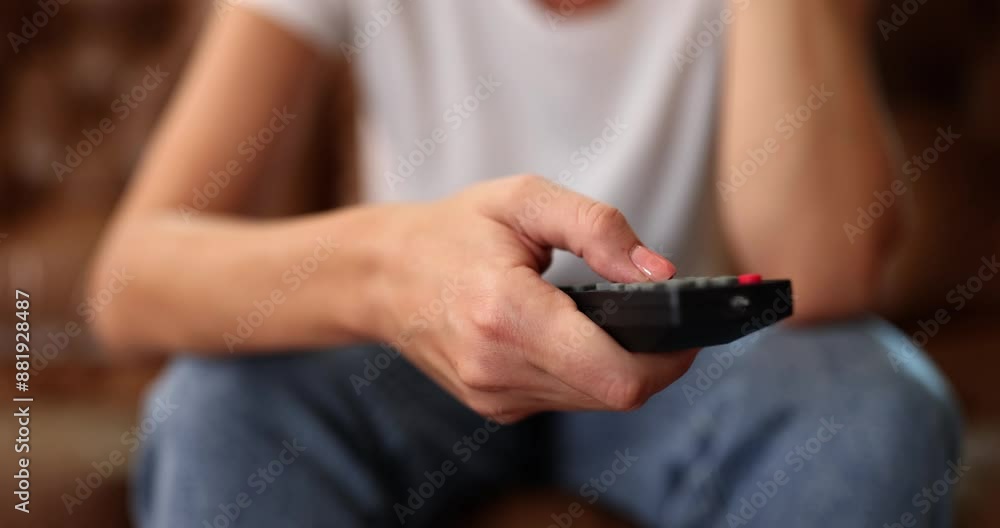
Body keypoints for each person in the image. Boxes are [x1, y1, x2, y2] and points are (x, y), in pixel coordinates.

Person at [89, 0, 961, 526]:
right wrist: (392, 270)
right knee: (216, 405)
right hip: (404, 352)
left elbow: (827, 265)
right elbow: (130, 279)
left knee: (870, 403)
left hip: (682, 371)